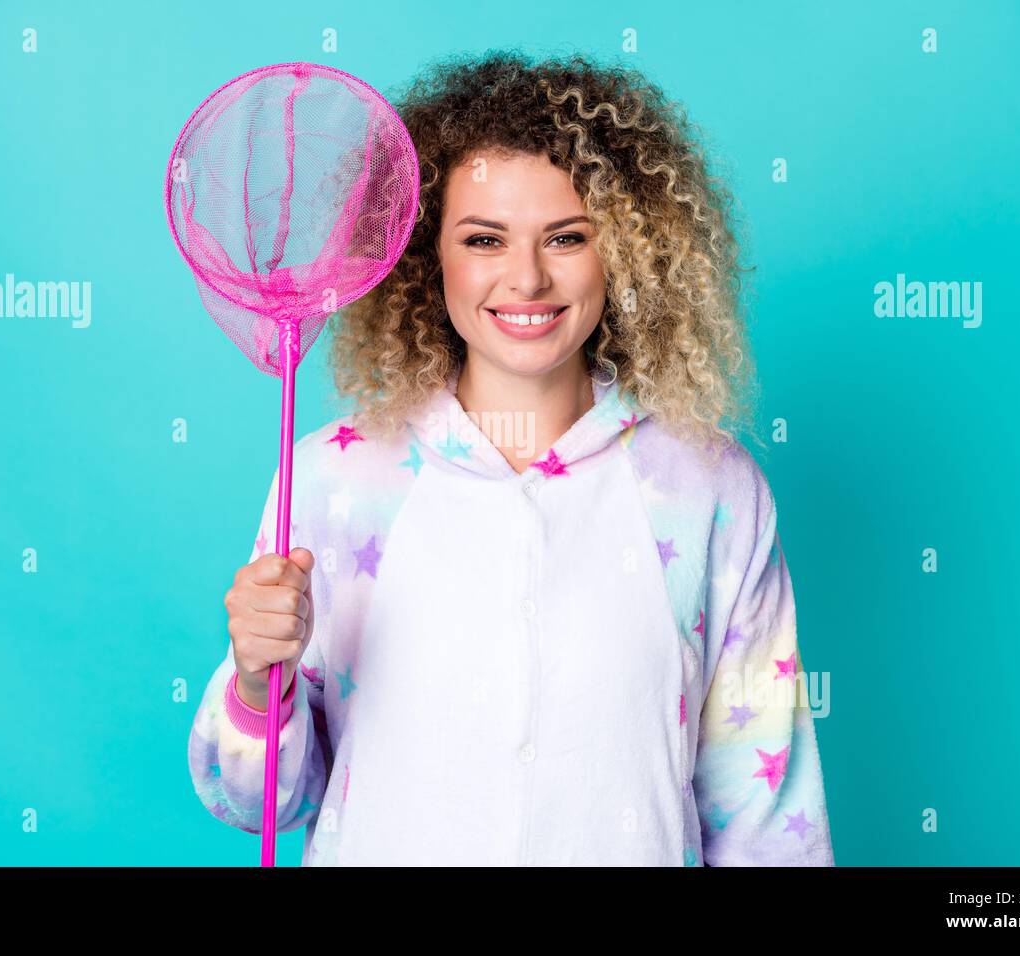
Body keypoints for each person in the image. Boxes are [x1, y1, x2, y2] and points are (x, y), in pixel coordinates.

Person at [188, 49, 835, 866]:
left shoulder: (710, 488)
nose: (525, 278)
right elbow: (258, 801)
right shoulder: (334, 478)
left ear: (625, 253)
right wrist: (256, 682)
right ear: (429, 257)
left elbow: (765, 812)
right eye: (485, 239)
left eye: (566, 237)